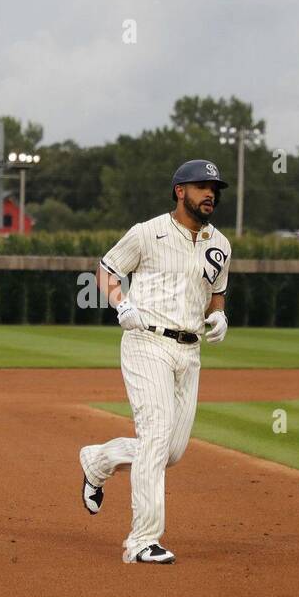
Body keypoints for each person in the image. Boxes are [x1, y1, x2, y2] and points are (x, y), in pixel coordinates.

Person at [77, 160, 232, 564]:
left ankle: (99, 459)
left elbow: (216, 291)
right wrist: (121, 304)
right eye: (201, 186)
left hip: (190, 350)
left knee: (171, 452)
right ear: (180, 191)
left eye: (214, 188)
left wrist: (219, 315)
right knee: (157, 436)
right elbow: (106, 270)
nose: (210, 194)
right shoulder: (147, 233)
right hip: (146, 342)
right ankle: (141, 540)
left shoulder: (220, 244)